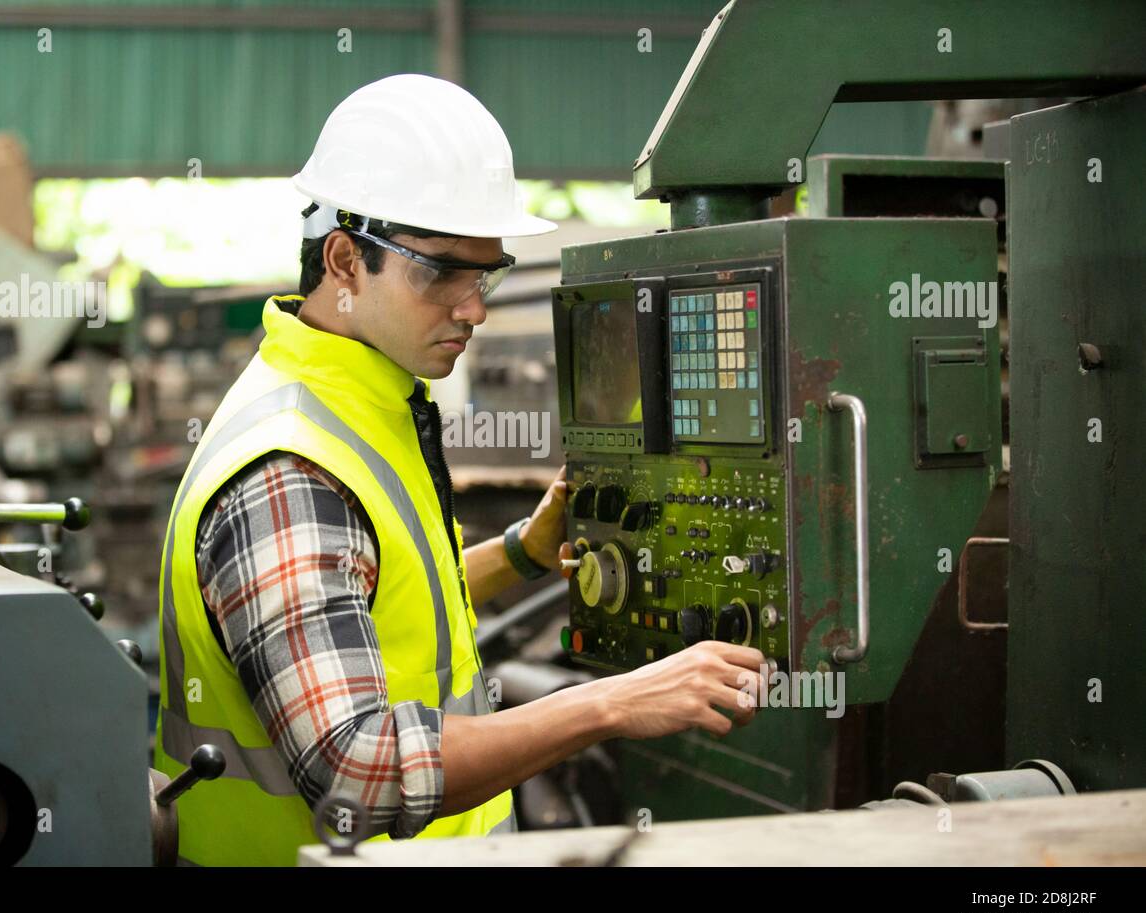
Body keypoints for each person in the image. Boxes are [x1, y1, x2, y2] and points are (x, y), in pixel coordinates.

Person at [153, 73, 766, 865]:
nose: (474, 307)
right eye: (440, 272)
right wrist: (613, 703)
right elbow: (359, 773)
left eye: (486, 274)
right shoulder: (289, 470)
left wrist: (520, 556)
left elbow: (370, 607)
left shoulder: (357, 398)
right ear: (344, 259)